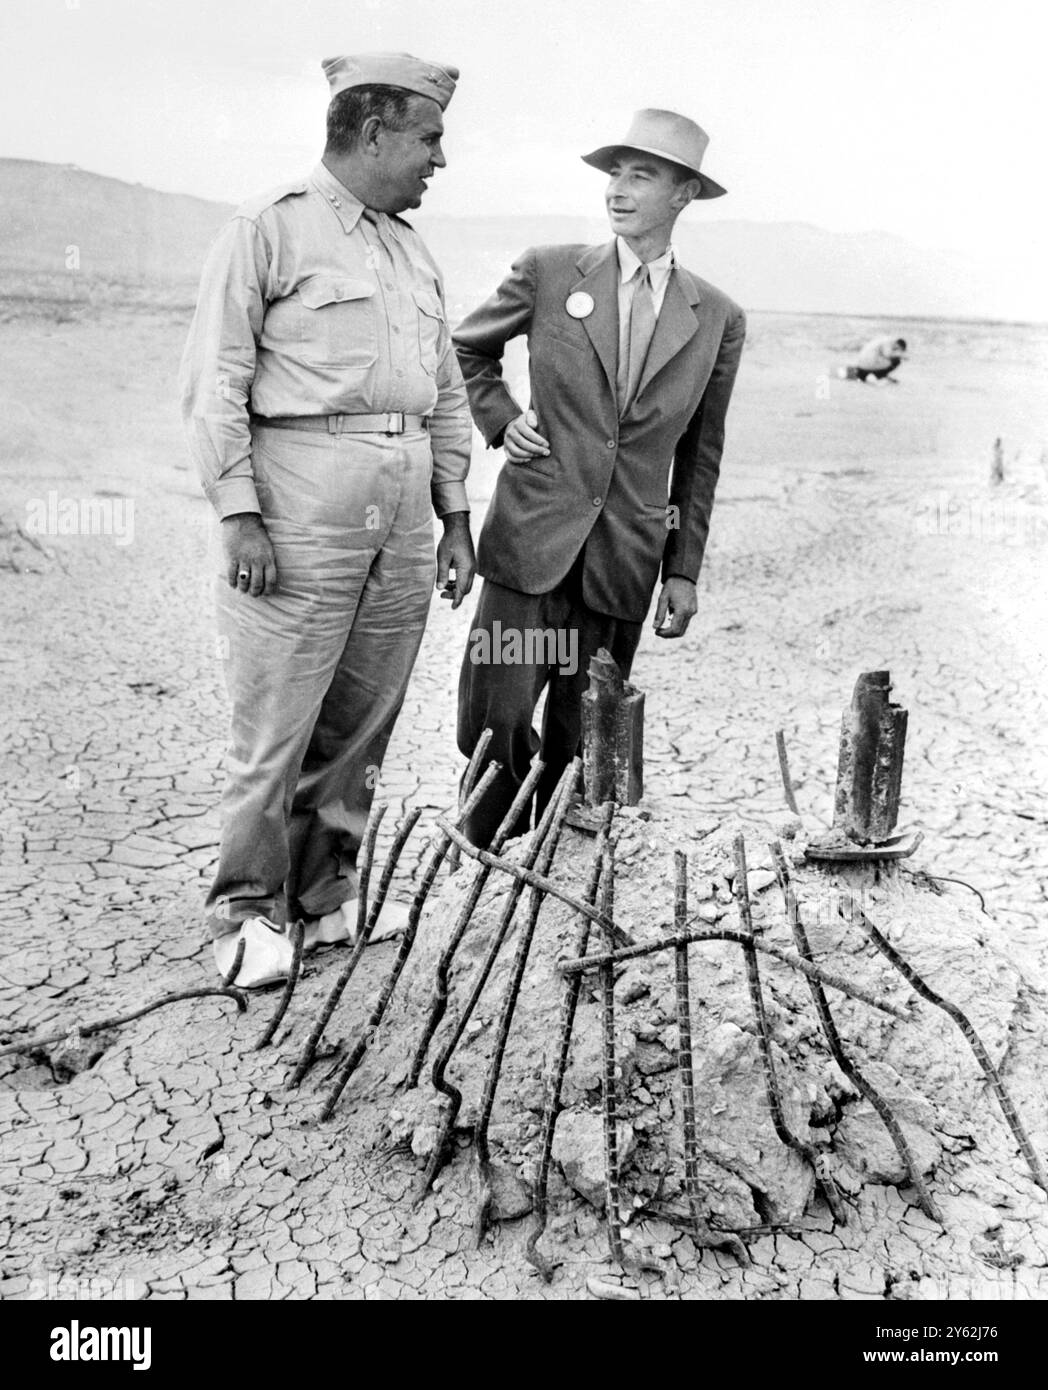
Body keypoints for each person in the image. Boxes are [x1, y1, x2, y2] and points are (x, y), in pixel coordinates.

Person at [180, 52, 475, 986]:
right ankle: (246, 912)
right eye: (429, 139)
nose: (440, 159)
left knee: (363, 720)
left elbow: (445, 393)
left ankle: (324, 894)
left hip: (403, 518)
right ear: (375, 132)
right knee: (277, 720)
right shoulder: (268, 228)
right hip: (299, 505)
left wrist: (454, 516)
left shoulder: (412, 251)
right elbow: (215, 382)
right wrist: (239, 514)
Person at [453, 109, 746, 849]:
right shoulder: (549, 271)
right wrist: (500, 418)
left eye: (641, 175)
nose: (618, 188)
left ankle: (558, 874)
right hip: (531, 549)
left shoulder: (717, 317)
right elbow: (464, 351)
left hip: (622, 564)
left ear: (684, 194)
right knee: (494, 721)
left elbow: (700, 455)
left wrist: (683, 570)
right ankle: (485, 864)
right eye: (614, 173)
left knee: (585, 735)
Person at [840, 334, 908, 383]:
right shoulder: (888, 343)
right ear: (898, 344)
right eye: (899, 349)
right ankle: (880, 376)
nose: (897, 350)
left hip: (863, 362)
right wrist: (900, 356)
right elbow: (887, 354)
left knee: (884, 362)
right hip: (869, 363)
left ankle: (862, 374)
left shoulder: (884, 339)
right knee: (896, 361)